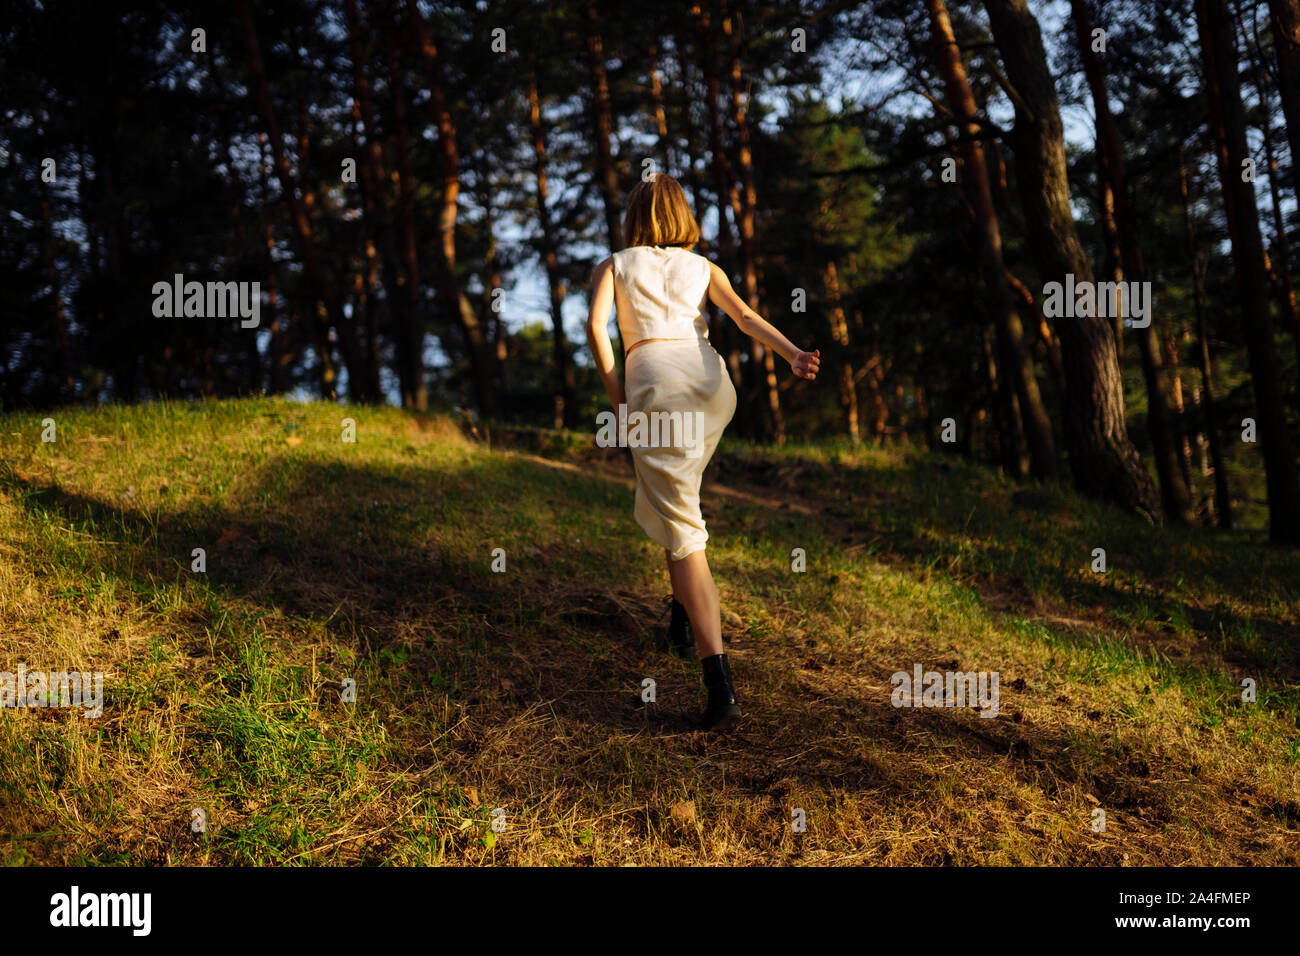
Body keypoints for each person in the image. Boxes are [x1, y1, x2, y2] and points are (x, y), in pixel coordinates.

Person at [586, 173, 820, 731]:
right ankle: (680, 620)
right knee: (677, 502)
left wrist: (619, 404)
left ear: (634, 217)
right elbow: (742, 317)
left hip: (658, 389)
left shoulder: (615, 264)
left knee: (685, 530)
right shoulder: (704, 267)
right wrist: (791, 354)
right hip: (713, 388)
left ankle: (721, 689)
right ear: (682, 214)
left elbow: (597, 328)